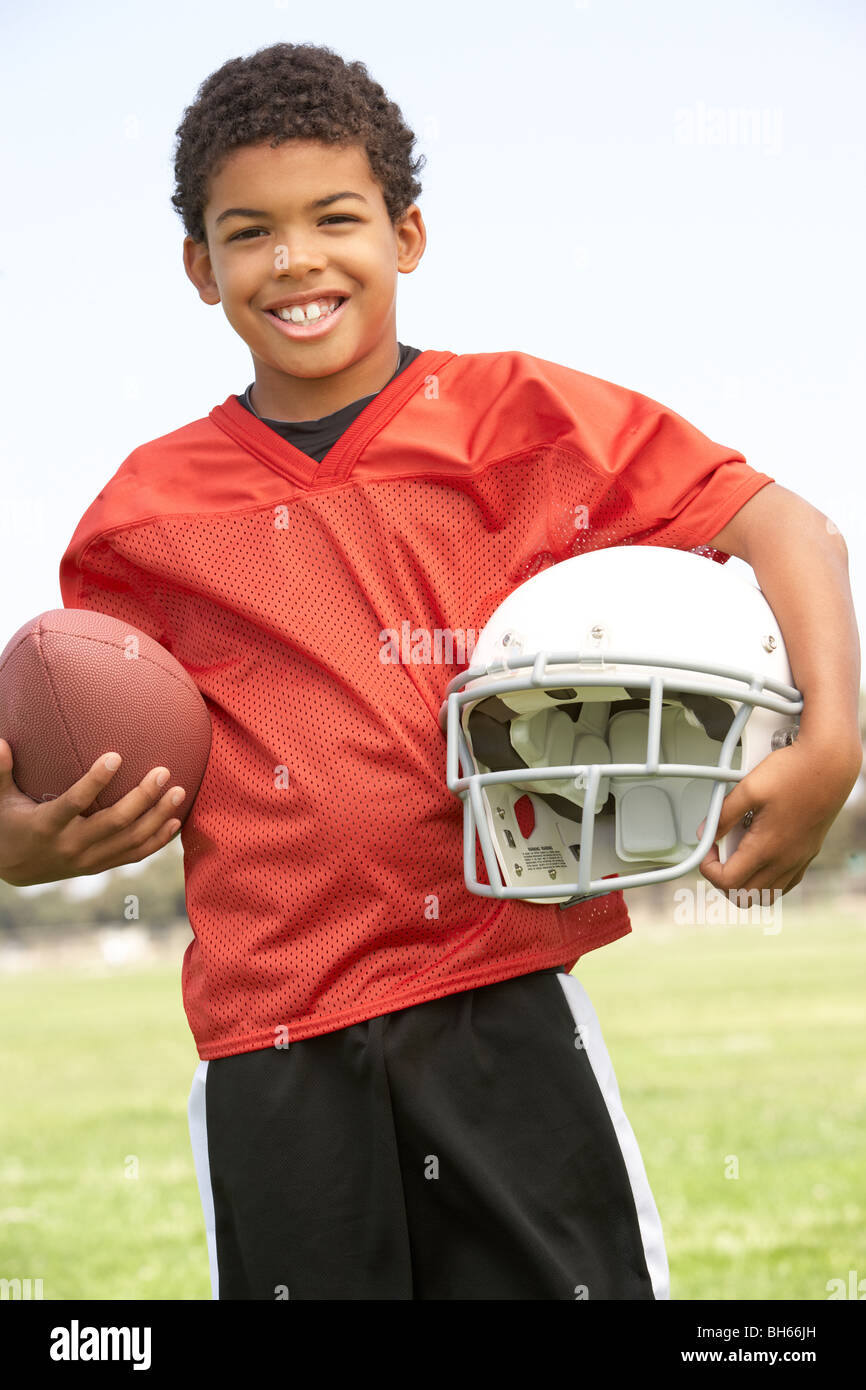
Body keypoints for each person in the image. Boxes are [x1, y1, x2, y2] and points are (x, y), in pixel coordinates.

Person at [0, 41, 860, 1300]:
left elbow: (786, 528)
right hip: (270, 1033)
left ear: (406, 234)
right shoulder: (140, 514)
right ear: (200, 267)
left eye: (333, 218)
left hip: (497, 995)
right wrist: (15, 843)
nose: (295, 260)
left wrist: (829, 739)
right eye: (251, 232)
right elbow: (69, 739)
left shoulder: (522, 416)